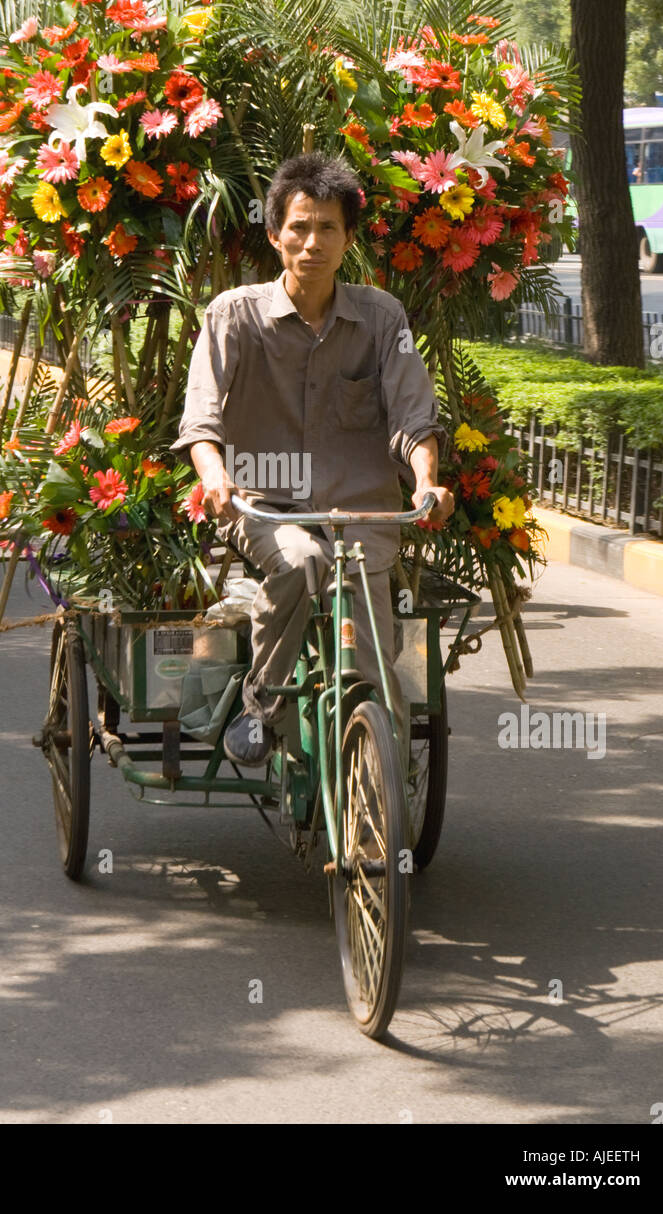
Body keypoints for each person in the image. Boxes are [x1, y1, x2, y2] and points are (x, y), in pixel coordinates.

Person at [172, 153, 455, 768]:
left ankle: (382, 769)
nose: (312, 243)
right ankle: (263, 706)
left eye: (328, 228)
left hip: (362, 514)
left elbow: (414, 412)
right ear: (275, 235)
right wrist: (214, 474)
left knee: (369, 621)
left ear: (348, 239)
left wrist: (427, 482)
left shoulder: (382, 318)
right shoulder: (233, 315)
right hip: (263, 506)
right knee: (301, 561)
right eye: (299, 227)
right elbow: (201, 417)